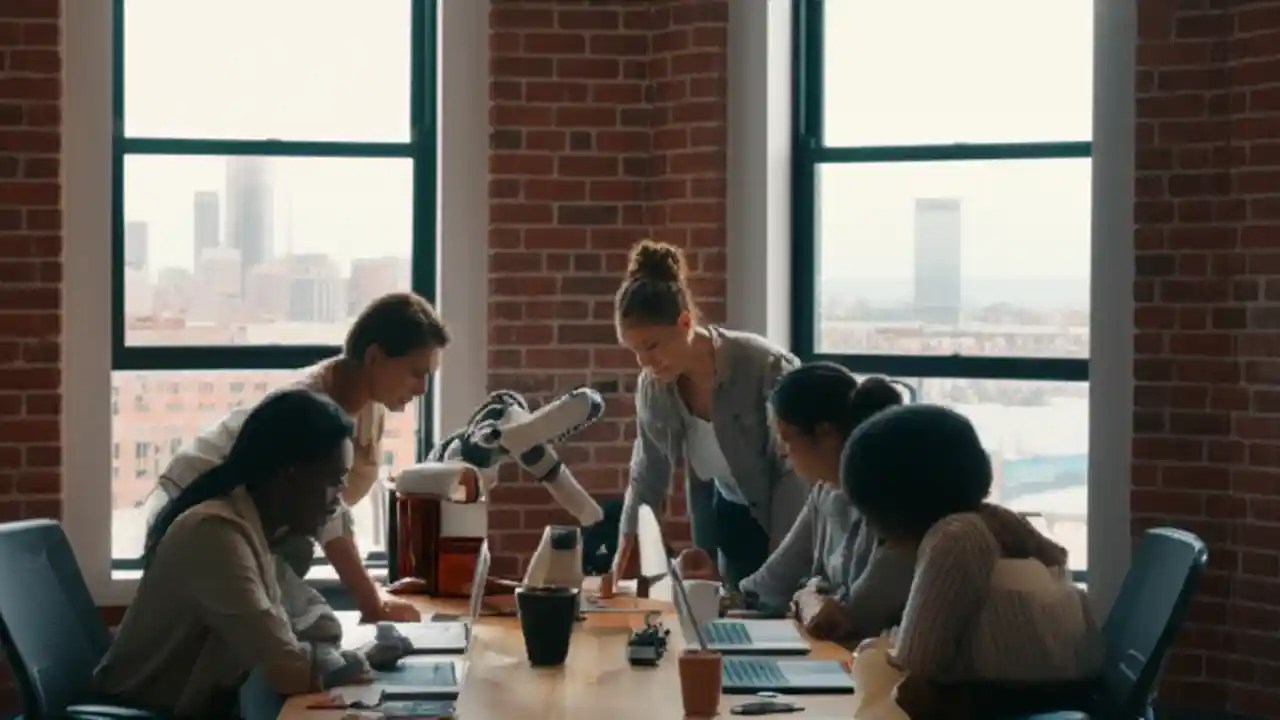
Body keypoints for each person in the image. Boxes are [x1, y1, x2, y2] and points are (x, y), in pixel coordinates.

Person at [141, 291, 449, 622]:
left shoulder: (366, 404)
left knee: (297, 576)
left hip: (233, 525)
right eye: (416, 373)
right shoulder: (312, 407)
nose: (422, 390)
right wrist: (374, 604)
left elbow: (334, 509)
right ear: (374, 358)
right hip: (188, 513)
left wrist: (375, 594)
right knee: (296, 583)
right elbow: (330, 519)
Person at [96, 389, 371, 717]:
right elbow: (286, 669)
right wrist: (339, 662)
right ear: (290, 475)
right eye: (332, 482)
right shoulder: (214, 534)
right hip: (148, 713)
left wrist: (336, 657)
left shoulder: (254, 531)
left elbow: (314, 619)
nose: (337, 501)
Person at [841, 404, 1104, 718]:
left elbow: (918, 667)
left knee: (872, 668)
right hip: (1044, 702)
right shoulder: (994, 522)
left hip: (1009, 709)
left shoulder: (957, 536)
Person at [602, 239, 809, 593]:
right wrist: (624, 556)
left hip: (792, 517)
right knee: (729, 617)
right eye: (635, 350)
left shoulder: (766, 367)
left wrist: (781, 558)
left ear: (685, 323)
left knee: (779, 612)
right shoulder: (654, 388)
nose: (645, 363)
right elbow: (647, 474)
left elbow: (792, 471)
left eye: (651, 346)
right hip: (729, 514)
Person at [732, 363, 915, 644]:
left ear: (826, 434)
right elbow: (775, 581)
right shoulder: (825, 492)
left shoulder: (892, 510)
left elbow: (847, 620)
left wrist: (806, 596)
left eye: (785, 437)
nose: (780, 450)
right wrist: (721, 597)